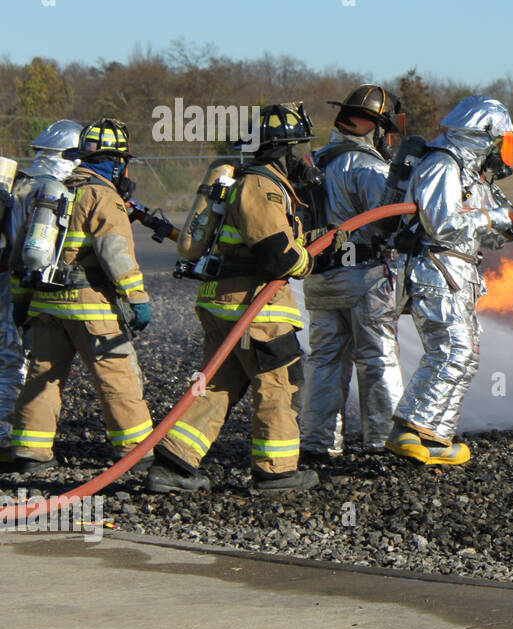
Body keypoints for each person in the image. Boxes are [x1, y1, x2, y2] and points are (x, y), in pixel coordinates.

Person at [149, 103, 318, 494]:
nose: (302, 159)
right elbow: (279, 258)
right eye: (296, 150)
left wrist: (311, 239)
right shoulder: (263, 186)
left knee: (220, 383)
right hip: (256, 311)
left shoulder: (243, 181)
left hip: (222, 305)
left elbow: (261, 241)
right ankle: (276, 472)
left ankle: (175, 462)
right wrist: (310, 258)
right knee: (279, 383)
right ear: (281, 150)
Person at [385, 95, 513, 464]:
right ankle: (407, 429)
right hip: (436, 269)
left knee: (466, 356)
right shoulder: (443, 164)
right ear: (482, 135)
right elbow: (442, 224)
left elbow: (492, 230)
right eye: (500, 139)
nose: (503, 149)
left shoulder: (469, 172)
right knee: (451, 350)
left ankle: (436, 437)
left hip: (458, 272)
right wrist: (492, 219)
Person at [3, 119, 153, 475]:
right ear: (116, 161)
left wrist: (22, 300)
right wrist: (137, 299)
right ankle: (136, 453)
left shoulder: (51, 192)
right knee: (117, 377)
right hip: (89, 307)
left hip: (44, 304)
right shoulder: (102, 196)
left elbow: (21, 254)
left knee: (43, 377)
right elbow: (116, 254)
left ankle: (30, 452)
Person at [300, 84, 404, 463]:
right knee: (377, 358)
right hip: (363, 275)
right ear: (374, 127)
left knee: (325, 359)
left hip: (320, 275)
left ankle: (318, 441)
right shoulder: (368, 166)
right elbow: (387, 222)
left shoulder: (313, 160)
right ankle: (384, 440)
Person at [1, 120, 83, 465]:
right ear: (67, 156)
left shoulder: (19, 185)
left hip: (7, 280)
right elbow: (38, 252)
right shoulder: (52, 190)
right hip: (24, 288)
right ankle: (6, 437)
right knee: (12, 360)